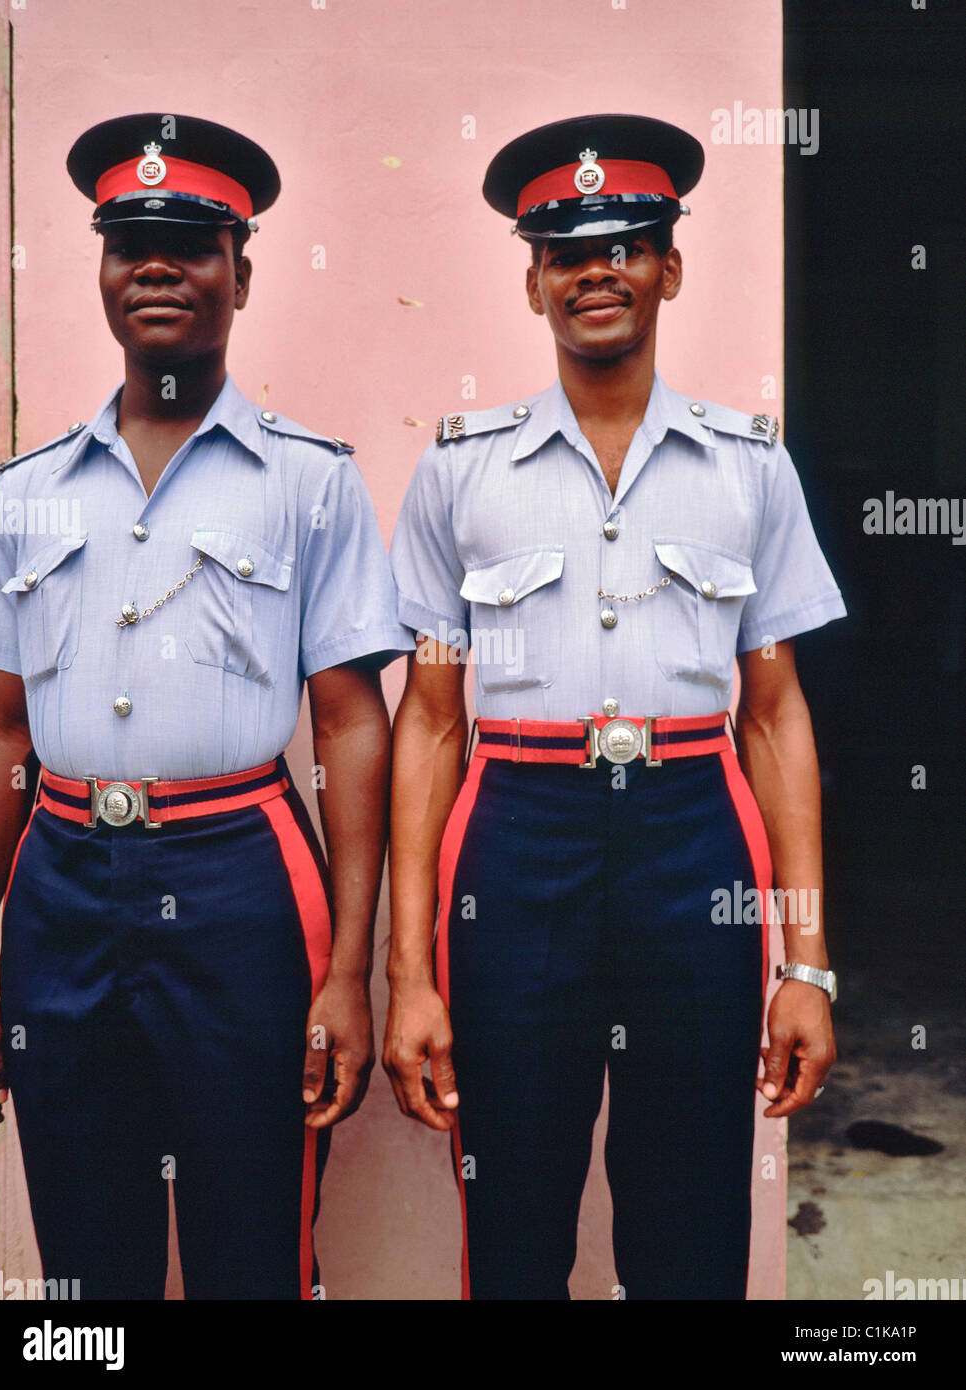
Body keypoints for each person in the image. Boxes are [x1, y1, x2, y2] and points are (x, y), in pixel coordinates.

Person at [384, 113, 844, 1300]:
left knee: (691, 1217)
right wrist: (411, 976)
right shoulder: (459, 468)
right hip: (517, 840)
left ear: (669, 269)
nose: (600, 268)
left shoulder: (750, 464)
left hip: (692, 840)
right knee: (515, 1206)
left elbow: (776, 715)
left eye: (630, 243)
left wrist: (809, 962)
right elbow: (430, 721)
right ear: (535, 282)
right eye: (569, 251)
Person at [0, 113, 410, 1299]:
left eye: (192, 242)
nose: (157, 266)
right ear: (103, 272)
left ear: (242, 275)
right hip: (60, 882)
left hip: (243, 882)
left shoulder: (310, 481)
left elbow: (352, 725)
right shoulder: (27, 494)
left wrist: (349, 975)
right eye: (131, 243)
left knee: (254, 1237)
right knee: (81, 1254)